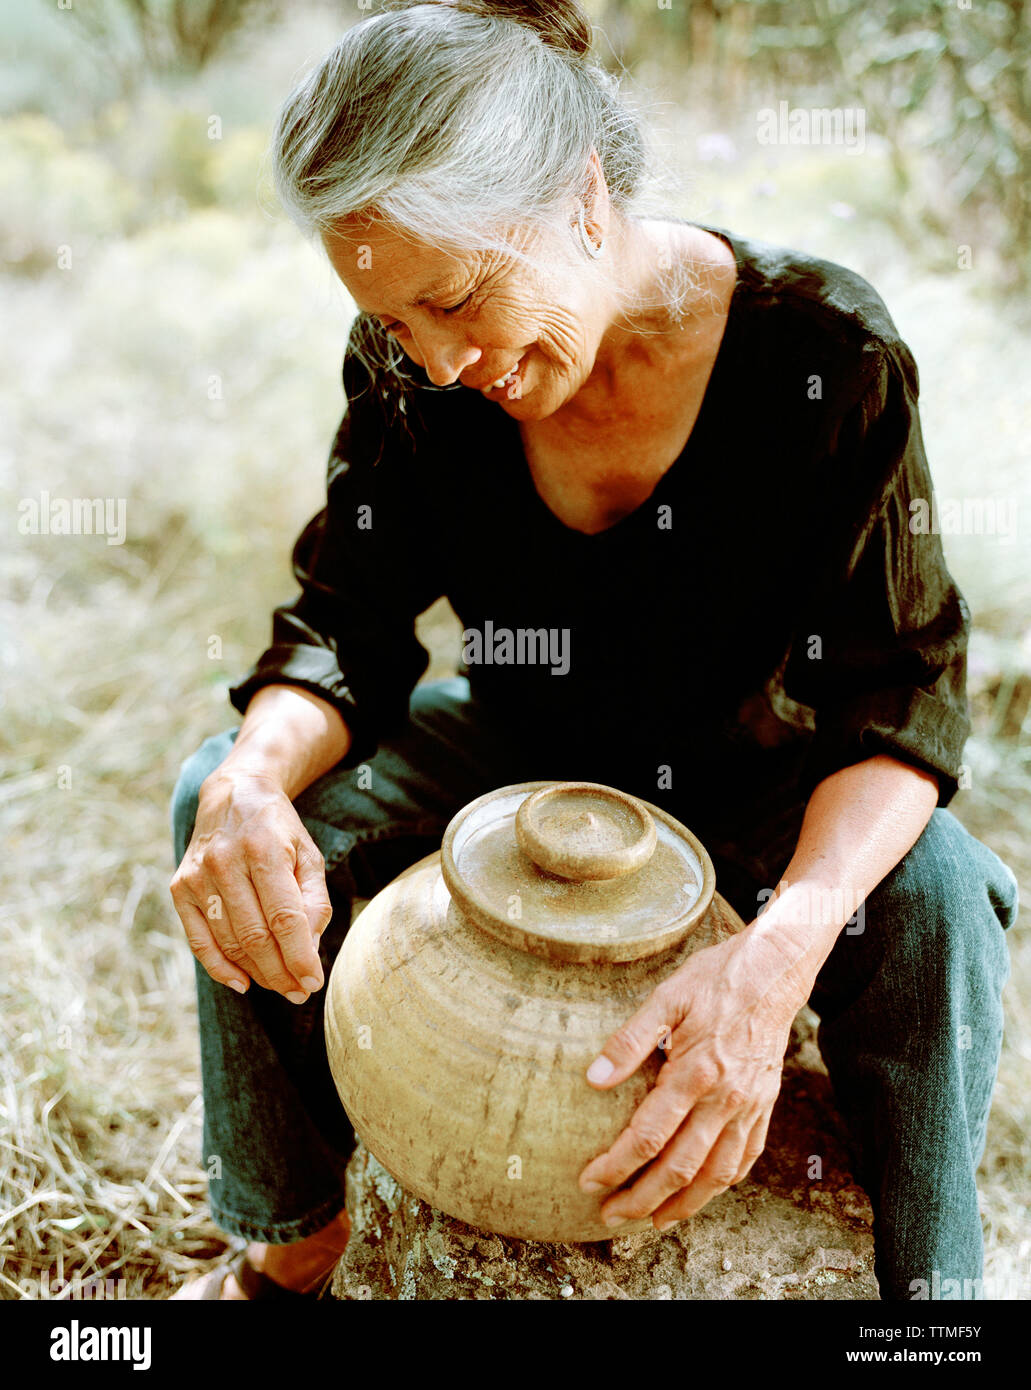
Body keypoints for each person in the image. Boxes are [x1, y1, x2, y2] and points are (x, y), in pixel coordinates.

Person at [168, 0, 1018, 1301]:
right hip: (514, 753)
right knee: (223, 787)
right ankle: (294, 1245)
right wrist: (246, 787)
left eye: (453, 298)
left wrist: (774, 955)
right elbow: (345, 621)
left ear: (577, 196)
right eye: (396, 323)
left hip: (755, 769)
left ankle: (934, 1307)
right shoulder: (413, 376)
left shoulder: (825, 353)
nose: (439, 362)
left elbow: (896, 692)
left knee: (939, 892)